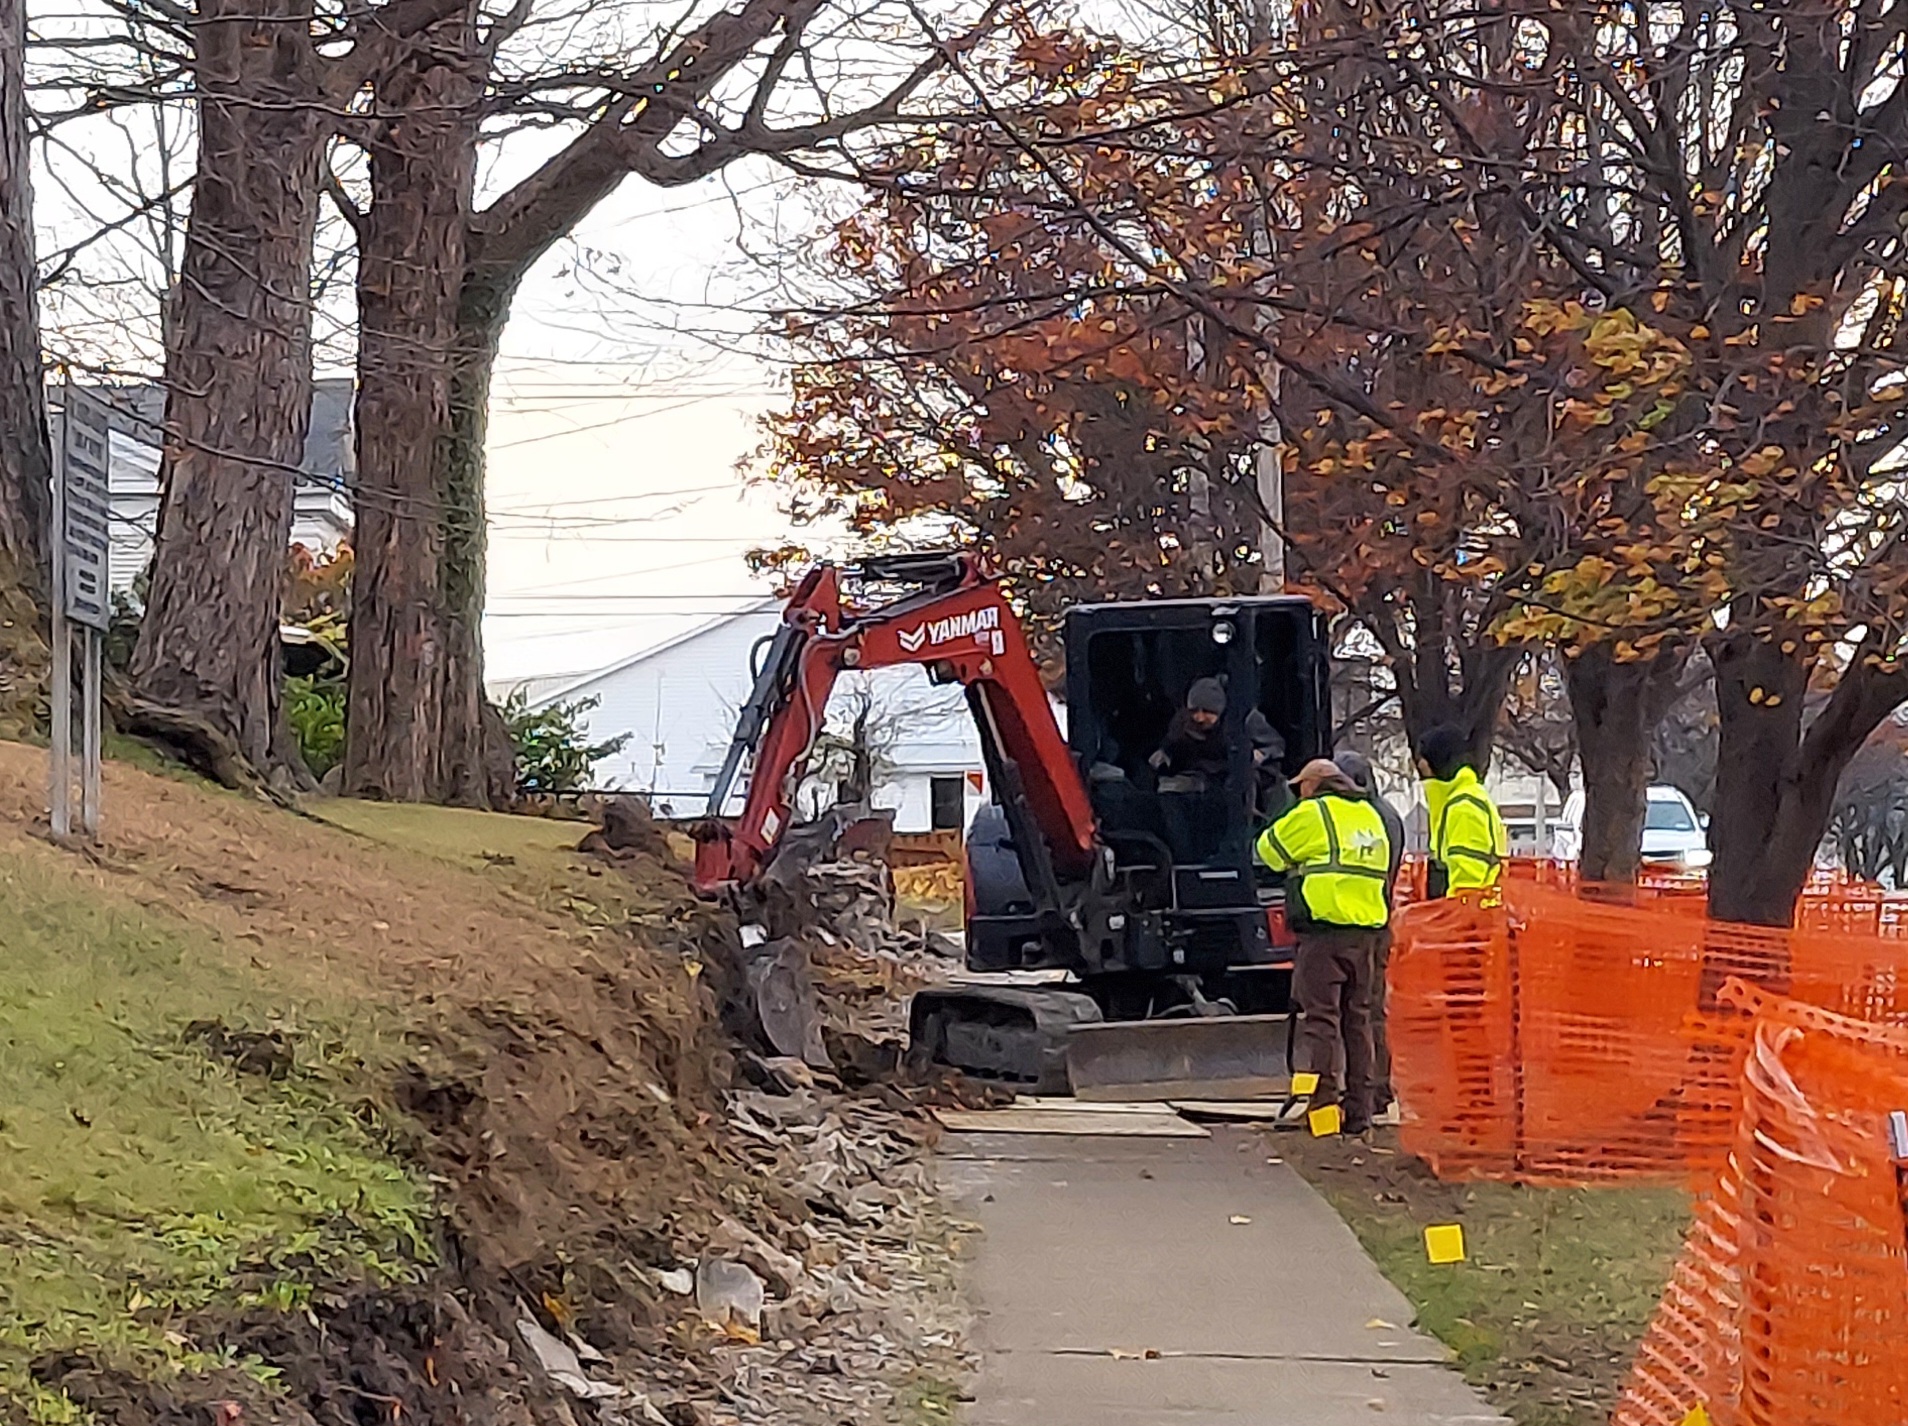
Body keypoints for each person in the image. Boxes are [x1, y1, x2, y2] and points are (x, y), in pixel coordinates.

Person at [1253, 757, 1393, 1136]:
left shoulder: (1312, 813)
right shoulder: (1369, 815)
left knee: (1322, 1022)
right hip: (1366, 933)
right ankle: (1361, 1114)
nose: (1299, 793)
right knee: (1358, 1020)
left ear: (1315, 784)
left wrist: (1284, 807)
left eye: (1301, 787)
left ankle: (1324, 1113)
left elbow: (1266, 852)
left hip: (1323, 933)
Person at [1333, 749, 1404, 1120]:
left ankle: (1372, 1088)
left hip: (1364, 924)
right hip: (1377, 921)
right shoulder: (1388, 815)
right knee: (1369, 1008)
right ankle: (1374, 1086)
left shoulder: (1369, 819)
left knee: (1364, 1010)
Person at [1415, 725, 1507, 898]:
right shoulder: (1466, 798)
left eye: (1424, 769)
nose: (1423, 778)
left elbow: (1468, 879)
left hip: (1468, 917)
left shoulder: (1464, 806)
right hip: (1474, 913)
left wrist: (1455, 915)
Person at [1150, 677, 1230, 784]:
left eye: (1207, 711)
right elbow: (1168, 747)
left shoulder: (1232, 728)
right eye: (1194, 710)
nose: (1199, 718)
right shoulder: (1181, 724)